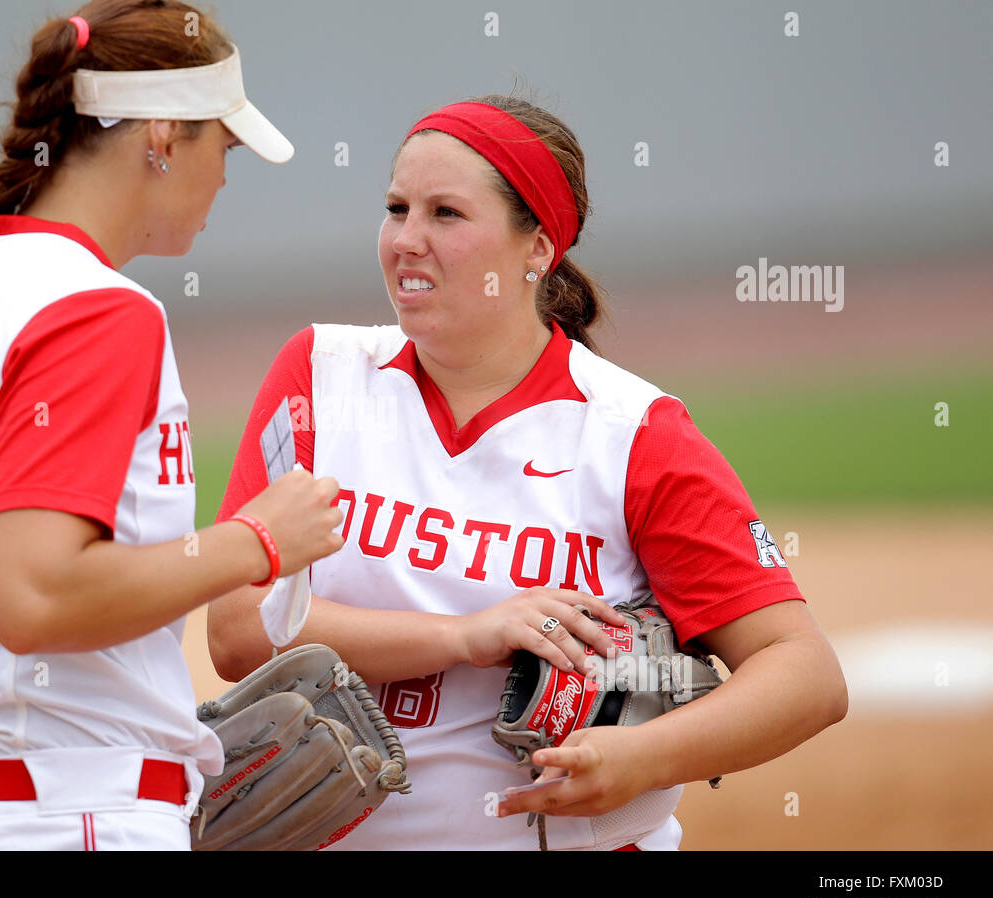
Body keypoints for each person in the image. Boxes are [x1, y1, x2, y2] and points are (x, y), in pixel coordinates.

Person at [207, 95, 849, 850]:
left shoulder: (630, 432)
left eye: (446, 214)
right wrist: (465, 636)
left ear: (537, 248)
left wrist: (643, 756)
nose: (406, 240)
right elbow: (236, 629)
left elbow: (807, 674)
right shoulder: (320, 374)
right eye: (396, 207)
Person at [0, 0, 343, 851]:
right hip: (71, 828)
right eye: (225, 141)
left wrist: (49, 747)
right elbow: (31, 596)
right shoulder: (97, 310)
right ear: (163, 140)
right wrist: (258, 541)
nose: (228, 173)